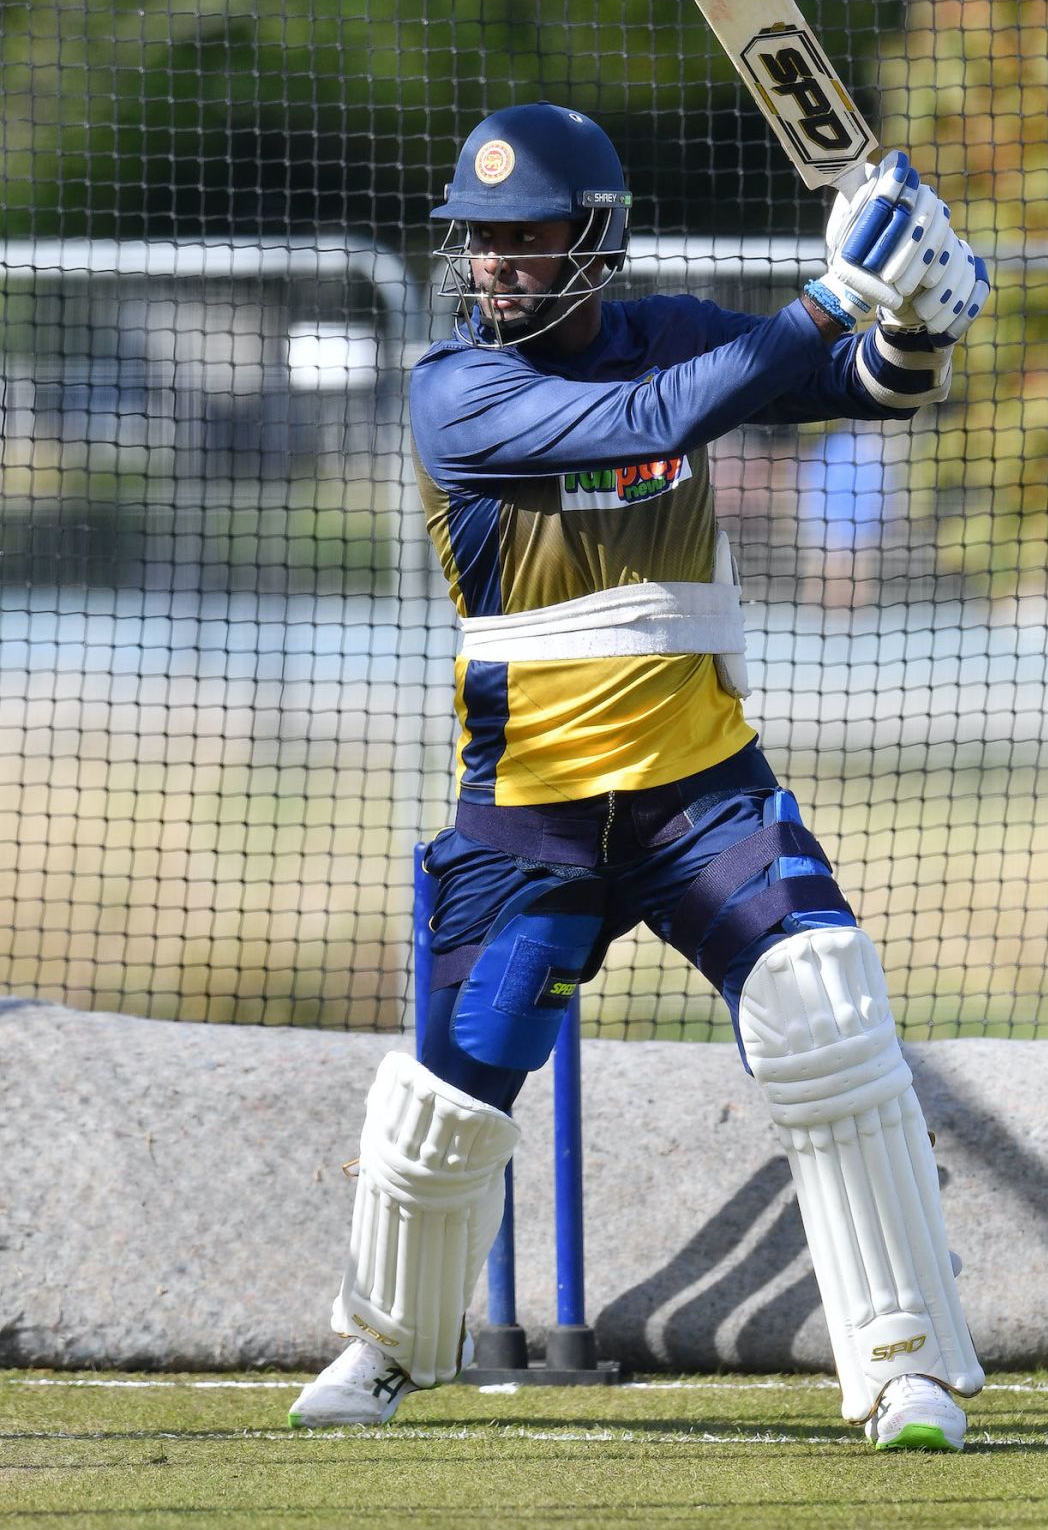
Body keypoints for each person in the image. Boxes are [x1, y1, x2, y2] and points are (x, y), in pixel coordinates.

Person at [288, 102, 990, 1448]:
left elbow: (861, 389)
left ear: (594, 240)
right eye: (480, 239)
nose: (496, 264)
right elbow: (651, 420)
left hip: (701, 794)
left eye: (526, 237)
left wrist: (918, 320)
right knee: (451, 1098)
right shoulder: (455, 389)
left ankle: (905, 1365)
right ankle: (383, 1347)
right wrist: (839, 288)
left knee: (827, 1008)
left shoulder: (667, 330)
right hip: (531, 815)